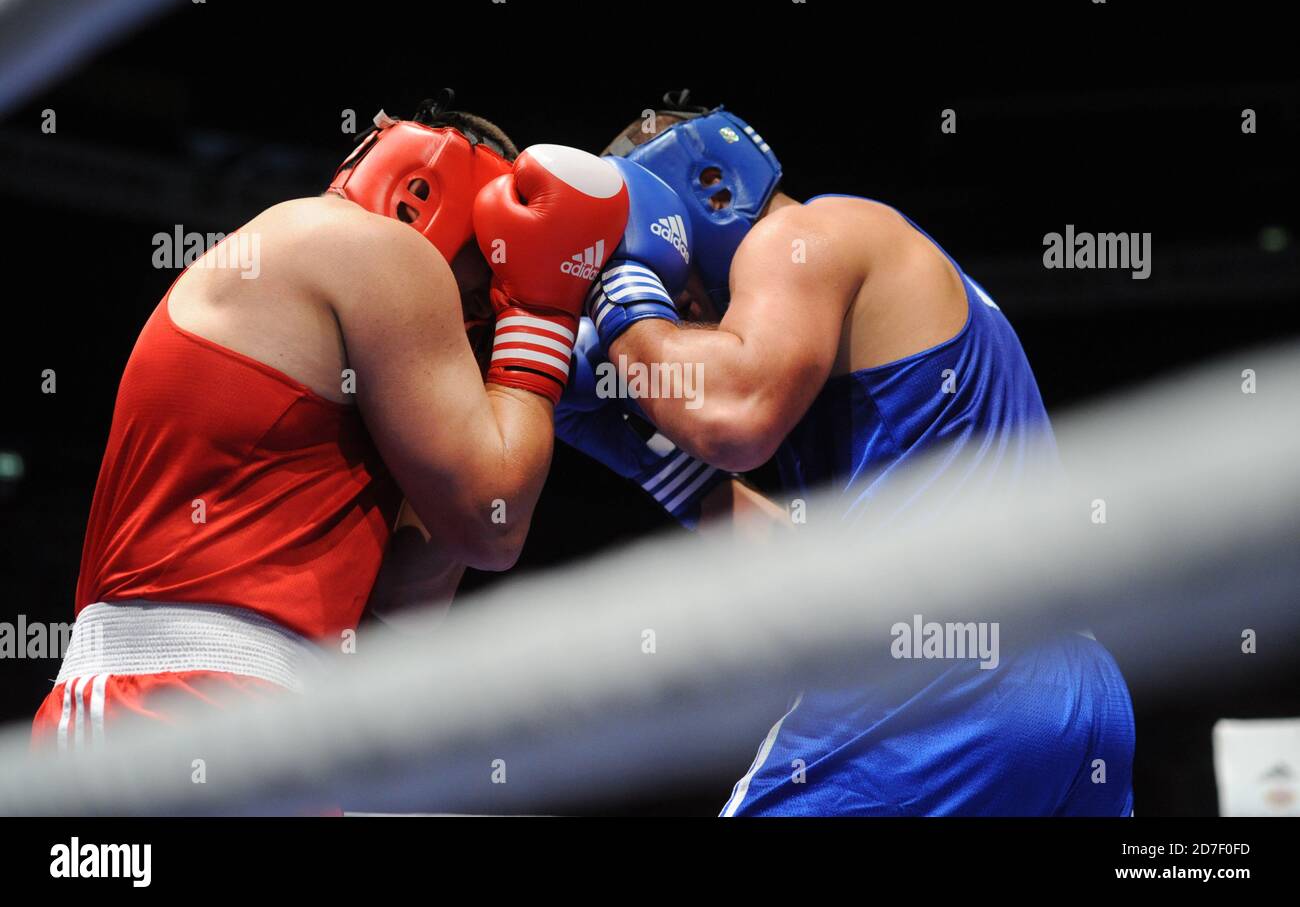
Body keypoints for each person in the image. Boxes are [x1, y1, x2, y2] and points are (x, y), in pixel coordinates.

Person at [561, 91, 1135, 815]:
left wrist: (619, 296)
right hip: (1073, 696)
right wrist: (654, 461)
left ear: (712, 190)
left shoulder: (806, 234)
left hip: (940, 686)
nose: (680, 307)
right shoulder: (873, 302)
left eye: (660, 256)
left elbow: (733, 418)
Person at [32, 96, 629, 750]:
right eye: (484, 276)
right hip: (172, 702)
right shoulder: (371, 248)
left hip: (269, 716)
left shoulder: (313, 301)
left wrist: (488, 405)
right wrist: (541, 311)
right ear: (422, 198)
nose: (477, 311)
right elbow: (495, 524)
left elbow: (400, 610)